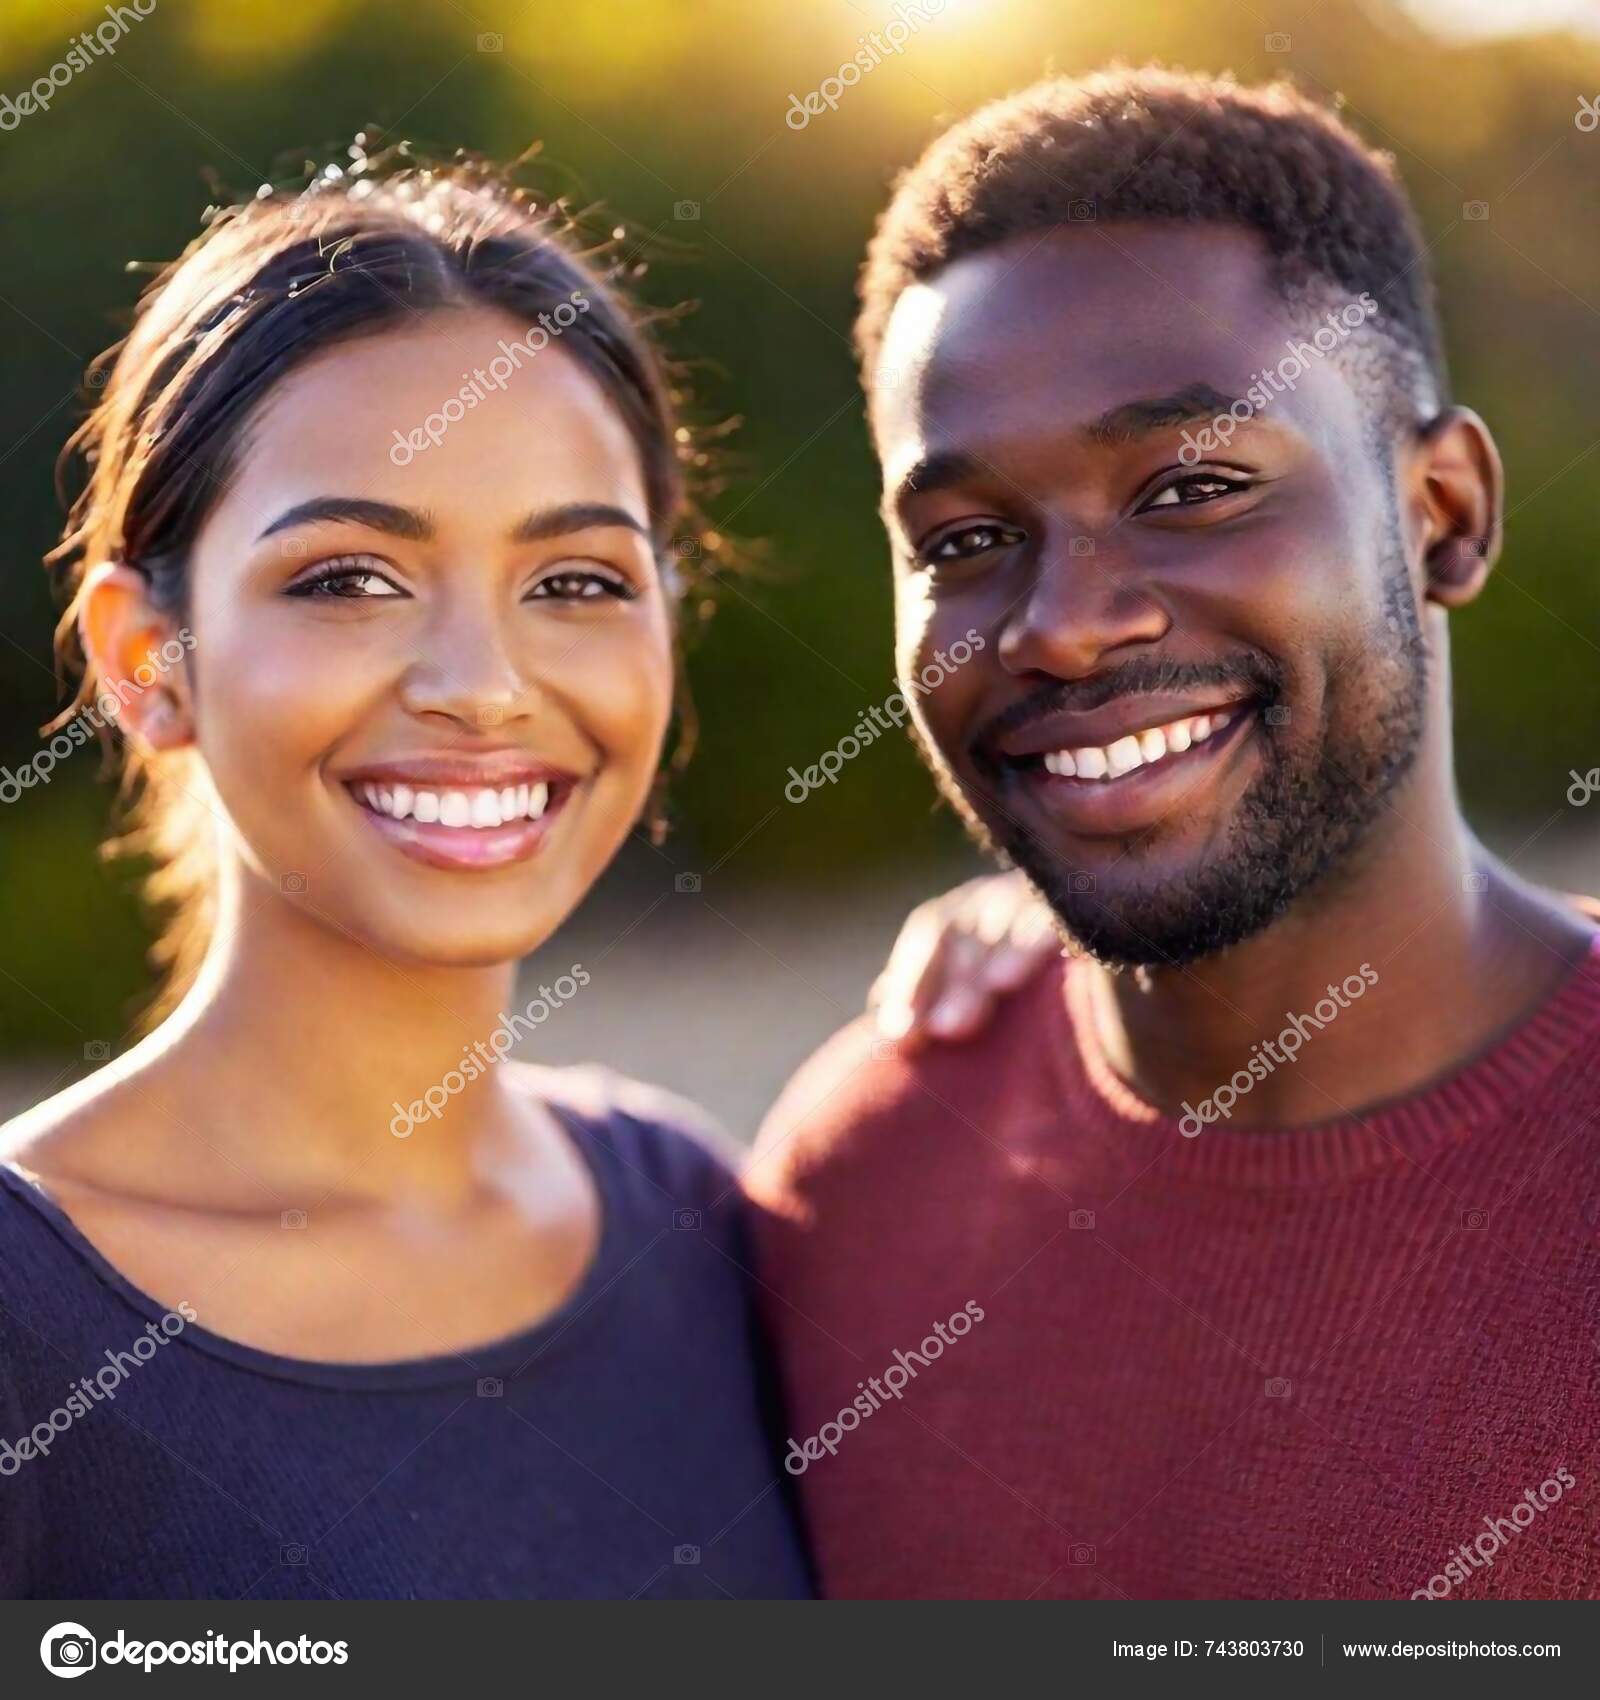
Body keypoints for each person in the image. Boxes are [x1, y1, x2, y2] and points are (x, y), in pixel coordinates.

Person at [0, 147, 1008, 1600]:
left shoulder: (697, 1218)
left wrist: (1068, 976)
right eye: (348, 577)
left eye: (575, 583)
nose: (482, 687)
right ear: (146, 661)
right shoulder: (32, 1320)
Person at [746, 67, 1600, 1600]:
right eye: (967, 540)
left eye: (1193, 485)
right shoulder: (849, 1179)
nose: (1066, 626)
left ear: (1444, 512)